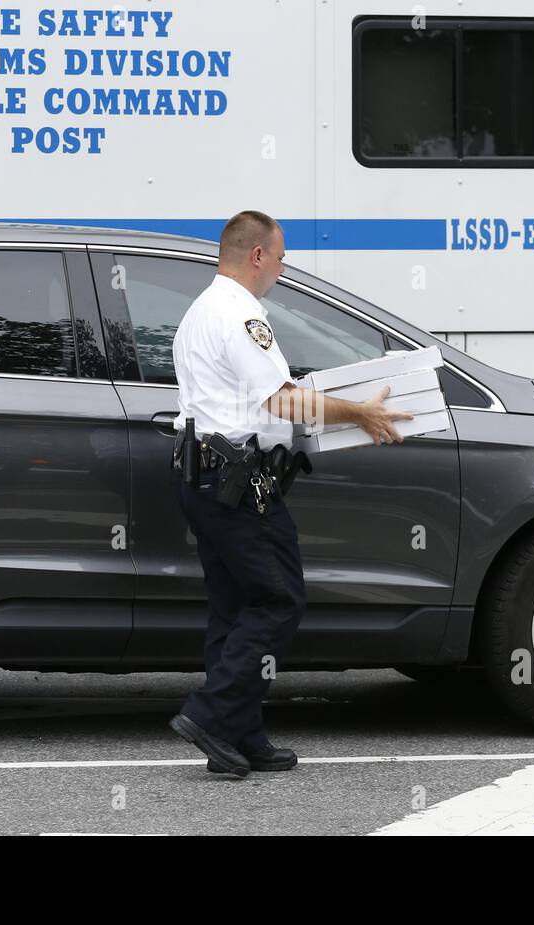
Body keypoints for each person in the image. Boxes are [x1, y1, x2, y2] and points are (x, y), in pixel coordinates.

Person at [167, 210, 413, 777]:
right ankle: (209, 713)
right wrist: (360, 413)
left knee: (235, 609)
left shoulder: (202, 310)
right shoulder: (240, 314)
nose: (282, 268)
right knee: (279, 601)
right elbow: (282, 399)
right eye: (280, 258)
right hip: (237, 484)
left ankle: (239, 736)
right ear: (257, 255)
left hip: (206, 479)